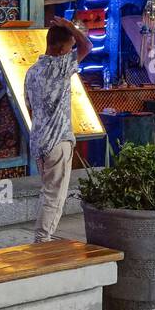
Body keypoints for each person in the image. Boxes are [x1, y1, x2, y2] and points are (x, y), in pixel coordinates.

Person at [24, 15, 92, 242]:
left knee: (47, 192)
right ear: (63, 48)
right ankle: (42, 241)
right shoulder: (61, 66)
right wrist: (71, 26)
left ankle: (43, 238)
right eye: (70, 46)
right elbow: (88, 45)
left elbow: (30, 107)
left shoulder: (32, 72)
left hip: (39, 141)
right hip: (58, 141)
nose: (72, 50)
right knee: (54, 196)